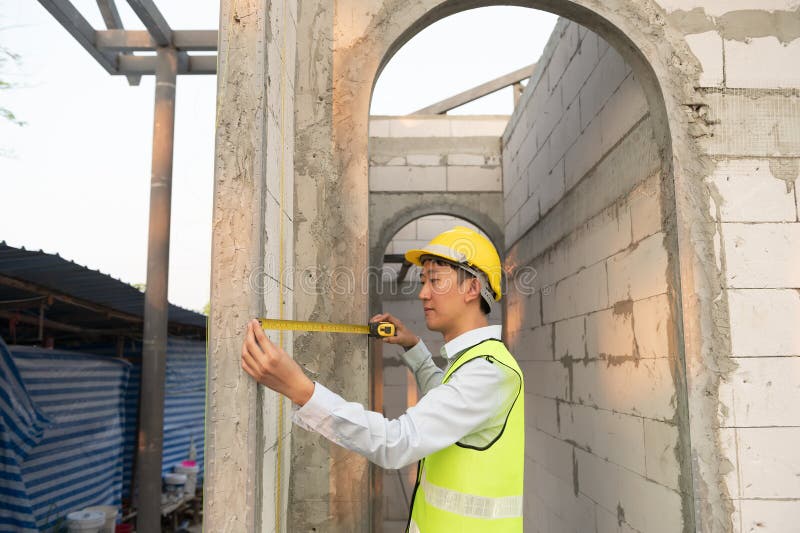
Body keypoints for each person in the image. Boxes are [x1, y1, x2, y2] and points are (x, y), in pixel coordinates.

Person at [241, 226, 525, 532]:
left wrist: (302, 391)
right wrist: (412, 346)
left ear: (472, 288)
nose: (423, 293)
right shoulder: (476, 362)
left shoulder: (488, 371)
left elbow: (397, 442)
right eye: (422, 281)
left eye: (435, 281)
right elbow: (444, 402)